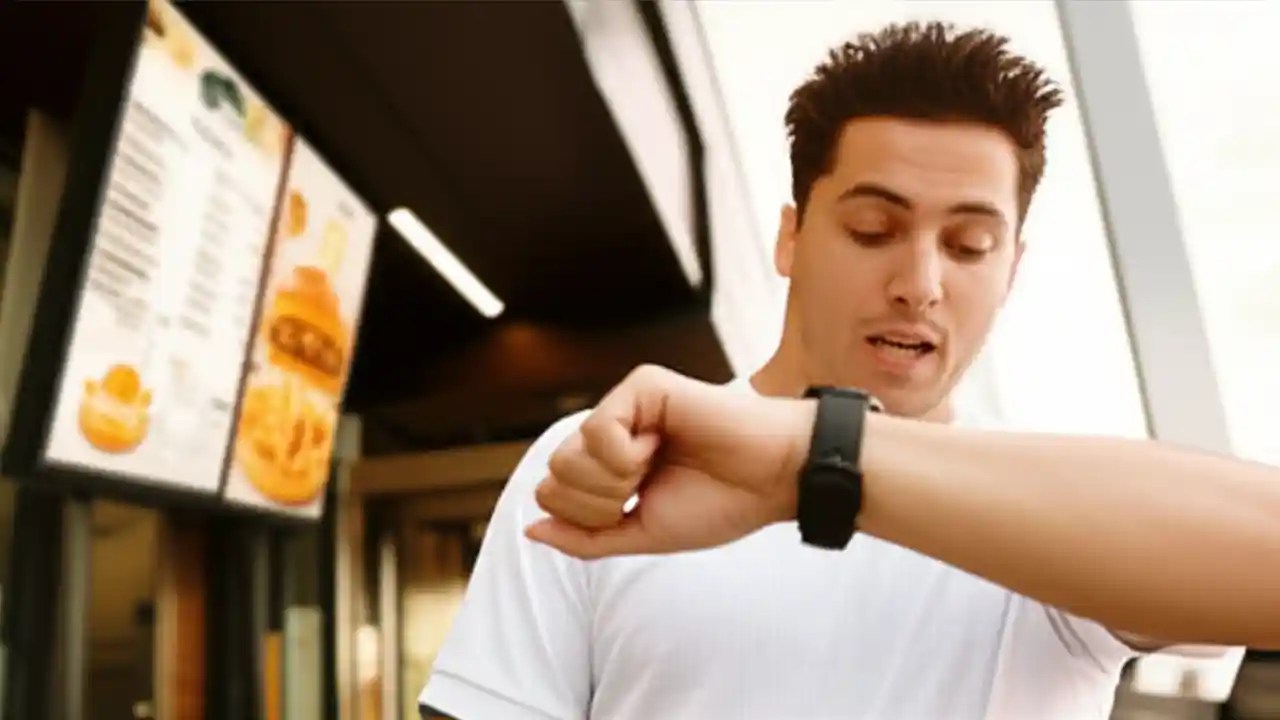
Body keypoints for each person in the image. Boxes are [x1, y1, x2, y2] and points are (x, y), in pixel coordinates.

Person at [418, 20, 1261, 720]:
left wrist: (810, 466)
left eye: (969, 246)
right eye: (871, 230)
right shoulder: (606, 459)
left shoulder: (1042, 515)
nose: (920, 286)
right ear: (791, 237)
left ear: (1012, 269)